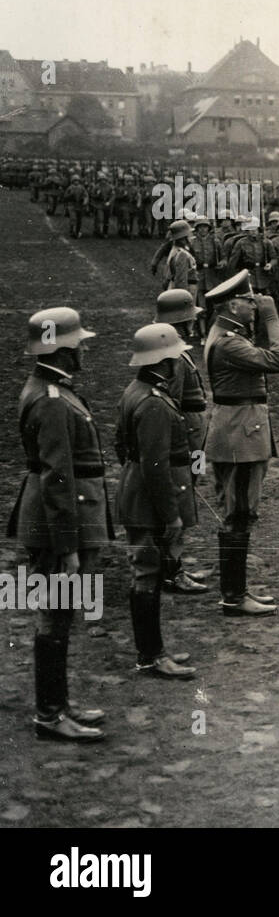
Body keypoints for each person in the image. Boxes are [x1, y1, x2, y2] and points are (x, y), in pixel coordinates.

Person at [9, 308, 109, 741]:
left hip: (55, 518)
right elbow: (57, 476)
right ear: (64, 349)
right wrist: (68, 546)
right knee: (54, 613)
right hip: (56, 524)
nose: (84, 349)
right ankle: (50, 714)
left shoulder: (51, 389)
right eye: (79, 343)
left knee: (61, 612)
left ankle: (58, 705)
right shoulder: (51, 399)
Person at [203, 269, 279, 616]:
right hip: (240, 436)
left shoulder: (226, 335)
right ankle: (234, 596)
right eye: (248, 300)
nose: (254, 305)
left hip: (239, 430)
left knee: (238, 512)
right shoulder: (229, 343)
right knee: (239, 512)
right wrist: (272, 318)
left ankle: (236, 592)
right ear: (232, 305)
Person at [114, 325, 201, 679]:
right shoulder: (153, 402)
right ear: (164, 361)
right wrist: (171, 515)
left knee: (148, 571)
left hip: (137, 492)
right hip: (148, 500)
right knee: (147, 573)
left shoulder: (137, 391)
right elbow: (155, 465)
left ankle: (152, 651)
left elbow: (121, 445)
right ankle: (150, 656)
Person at [153, 289, 209, 594]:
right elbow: (171, 404)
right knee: (179, 502)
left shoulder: (174, 347)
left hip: (193, 438)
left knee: (187, 496)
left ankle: (174, 565)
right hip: (185, 440)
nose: (193, 322)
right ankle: (171, 570)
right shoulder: (172, 353)